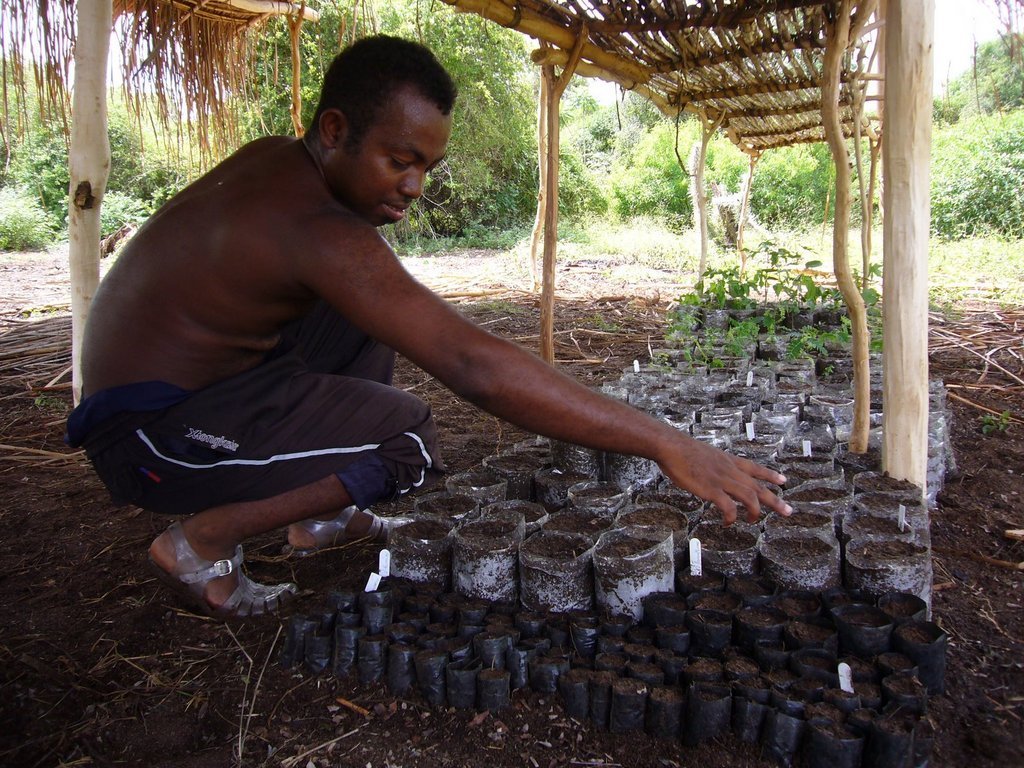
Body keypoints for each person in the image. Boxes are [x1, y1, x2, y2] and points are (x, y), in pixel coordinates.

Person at [67, 35, 791, 620]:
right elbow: (470, 366)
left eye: (428, 167)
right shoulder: (315, 229)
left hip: (199, 386)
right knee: (403, 438)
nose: (414, 187)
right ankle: (201, 542)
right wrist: (666, 441)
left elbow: (421, 325)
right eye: (400, 160)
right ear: (335, 130)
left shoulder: (282, 168)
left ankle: (320, 520)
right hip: (146, 434)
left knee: (373, 306)